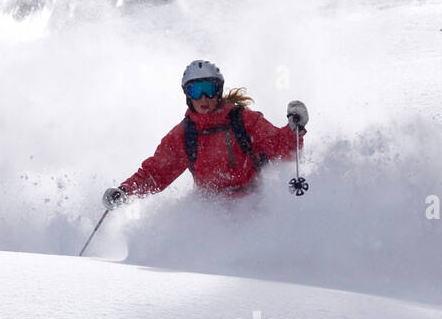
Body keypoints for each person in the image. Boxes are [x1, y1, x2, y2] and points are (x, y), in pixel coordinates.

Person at [102, 60, 308, 208]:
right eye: (195, 91)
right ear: (187, 95)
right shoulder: (184, 135)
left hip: (253, 202)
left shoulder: (243, 120)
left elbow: (280, 148)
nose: (203, 97)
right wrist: (126, 191)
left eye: (208, 89)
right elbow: (156, 173)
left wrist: (294, 129)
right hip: (211, 210)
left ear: (218, 91)